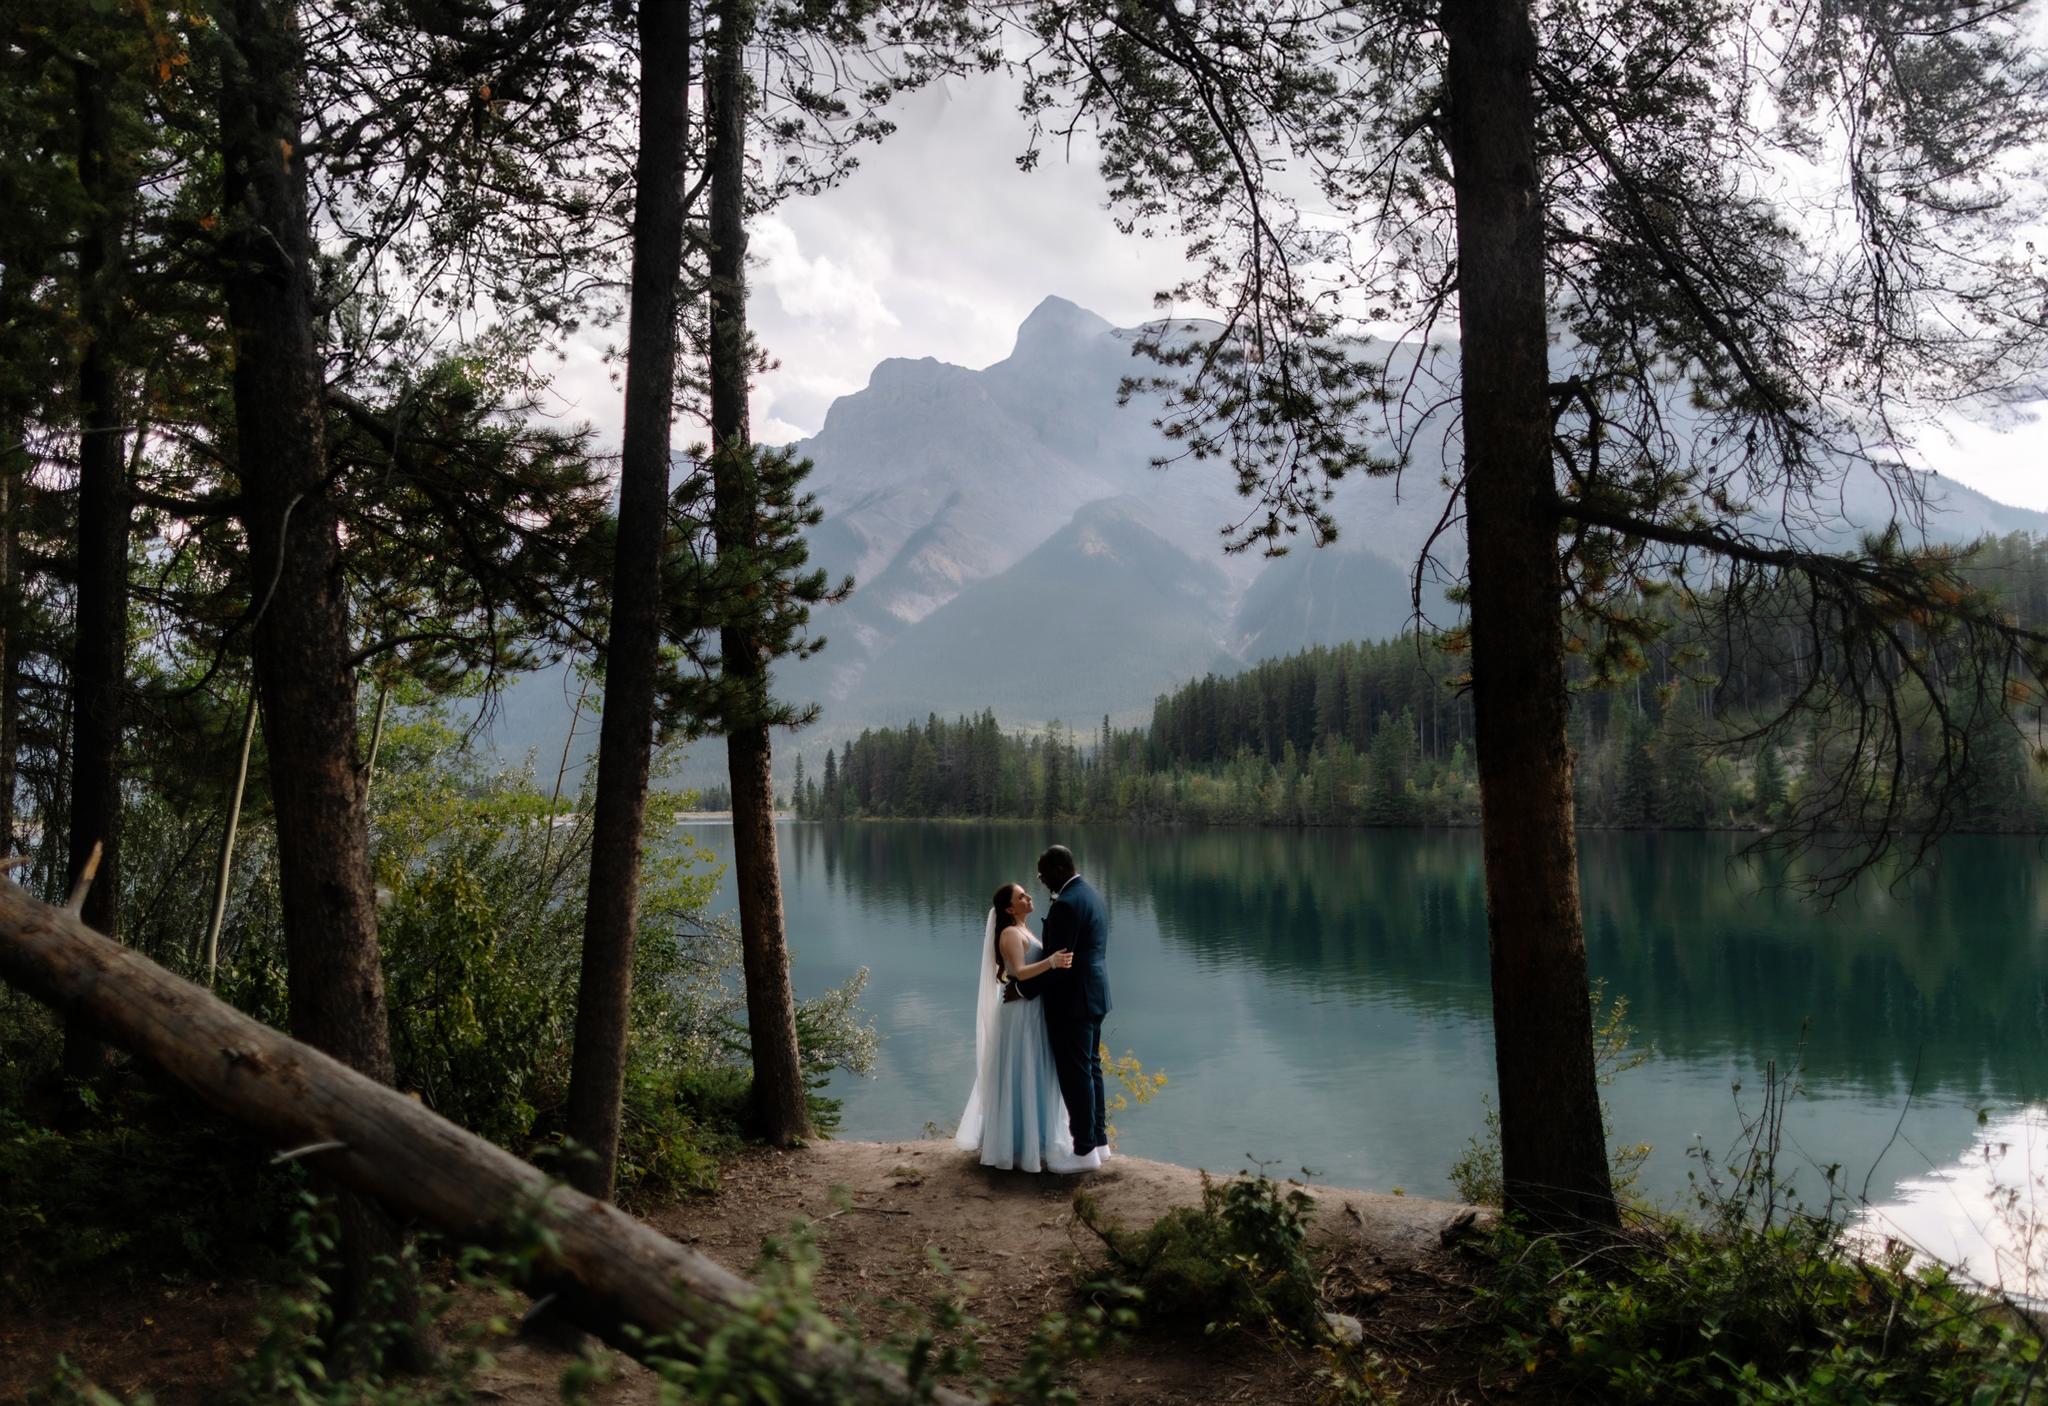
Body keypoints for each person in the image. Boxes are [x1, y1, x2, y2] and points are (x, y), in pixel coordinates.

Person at [954, 881, 1103, 1173]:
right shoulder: (1010, 933)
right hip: (1019, 1016)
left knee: (1035, 1068)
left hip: (1032, 1011)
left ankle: (1039, 1139)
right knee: (1020, 1069)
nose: (1028, 897)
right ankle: (1017, 1144)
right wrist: (1052, 962)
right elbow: (1020, 972)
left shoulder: (1023, 930)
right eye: (1022, 896)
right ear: (1010, 908)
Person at [1019, 844, 1112, 1162]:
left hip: (1072, 1002)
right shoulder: (1092, 895)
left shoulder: (1068, 905)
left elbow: (1060, 963)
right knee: (1091, 1069)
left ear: (1059, 869)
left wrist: (1023, 991)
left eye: (1043, 874)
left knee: (1075, 1075)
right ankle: (1100, 1142)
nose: (1041, 880)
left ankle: (1084, 1149)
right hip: (1095, 995)